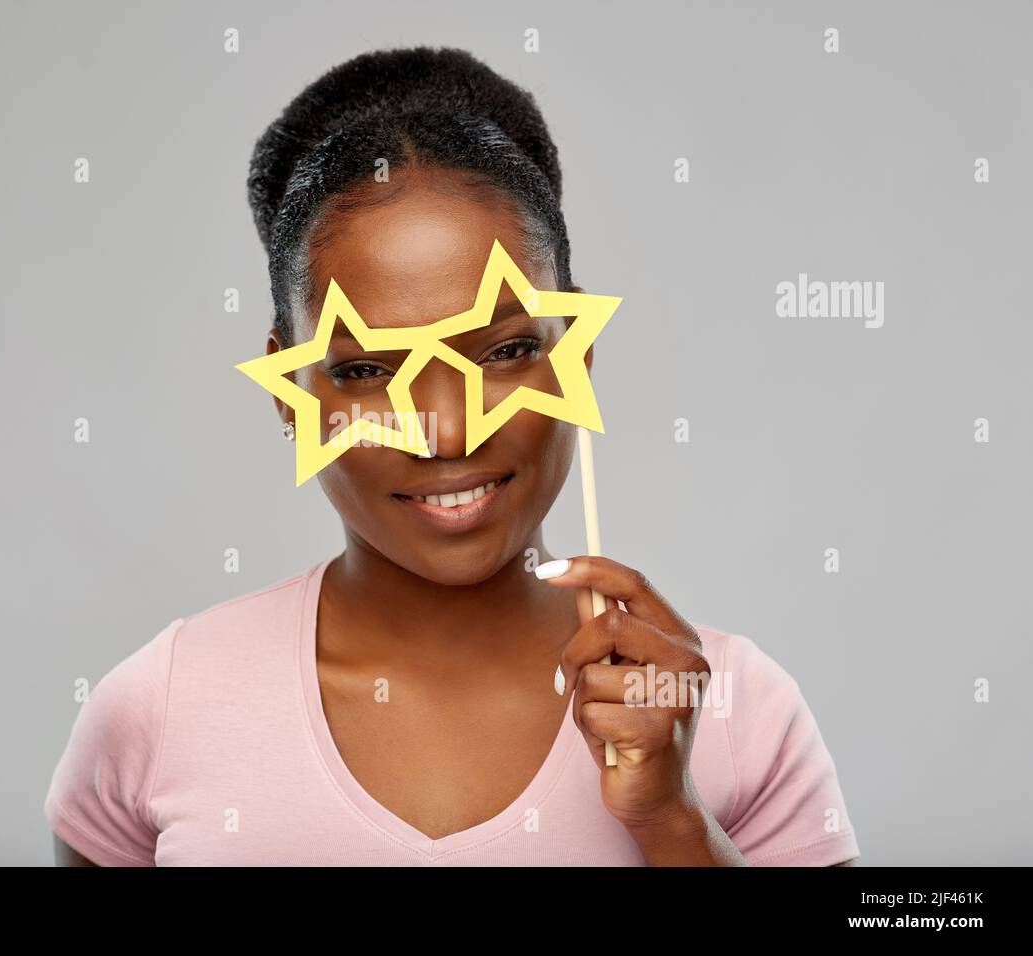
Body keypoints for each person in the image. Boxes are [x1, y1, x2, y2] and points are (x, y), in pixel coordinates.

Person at [44, 46, 859, 866]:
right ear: (289, 391)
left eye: (503, 353)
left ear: (572, 347)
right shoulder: (160, 708)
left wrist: (672, 821)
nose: (444, 432)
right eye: (363, 371)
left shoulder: (737, 712)